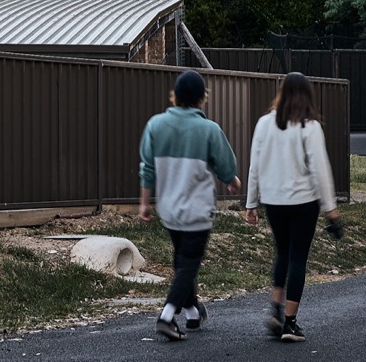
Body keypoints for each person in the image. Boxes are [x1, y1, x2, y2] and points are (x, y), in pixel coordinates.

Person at [139, 69, 241, 342]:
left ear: (175, 95)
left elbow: (147, 168)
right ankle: (167, 316)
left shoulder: (155, 125)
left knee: (182, 261)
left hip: (169, 209)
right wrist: (231, 180)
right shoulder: (209, 129)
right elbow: (226, 165)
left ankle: (193, 312)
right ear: (201, 97)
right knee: (189, 264)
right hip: (197, 209)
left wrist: (145, 203)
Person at [244, 72, 340, 343]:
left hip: (274, 201)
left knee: (282, 252)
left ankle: (275, 308)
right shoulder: (310, 126)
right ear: (308, 95)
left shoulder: (264, 123)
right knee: (298, 258)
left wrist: (251, 203)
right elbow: (320, 169)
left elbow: (254, 165)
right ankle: (290, 323)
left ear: (281, 92)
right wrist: (331, 210)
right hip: (304, 202)